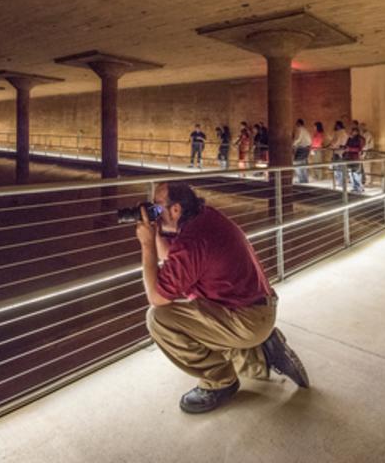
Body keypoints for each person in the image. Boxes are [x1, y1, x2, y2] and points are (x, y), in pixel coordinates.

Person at [137, 182, 310, 413]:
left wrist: (146, 244)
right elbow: (171, 257)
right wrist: (156, 232)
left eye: (157, 209)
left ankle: (219, 382)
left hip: (247, 320)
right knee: (198, 320)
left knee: (158, 319)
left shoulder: (193, 242)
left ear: (176, 210)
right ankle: (264, 354)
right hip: (256, 309)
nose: (155, 215)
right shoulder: (204, 218)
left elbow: (157, 298)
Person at [343, 126, 365, 192]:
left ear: (357, 132)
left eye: (353, 131)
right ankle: (354, 187)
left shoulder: (360, 139)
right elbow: (346, 145)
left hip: (356, 158)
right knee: (351, 173)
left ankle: (359, 188)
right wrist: (345, 147)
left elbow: (359, 149)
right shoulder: (350, 138)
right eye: (352, 131)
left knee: (356, 173)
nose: (352, 132)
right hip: (349, 157)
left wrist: (350, 149)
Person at [292, 118, 312, 183]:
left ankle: (301, 180)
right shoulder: (305, 130)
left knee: (296, 163)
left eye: (296, 123)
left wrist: (292, 145)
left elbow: (298, 138)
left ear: (299, 123)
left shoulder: (299, 129)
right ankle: (305, 180)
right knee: (303, 164)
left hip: (302, 148)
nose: (295, 124)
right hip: (307, 148)